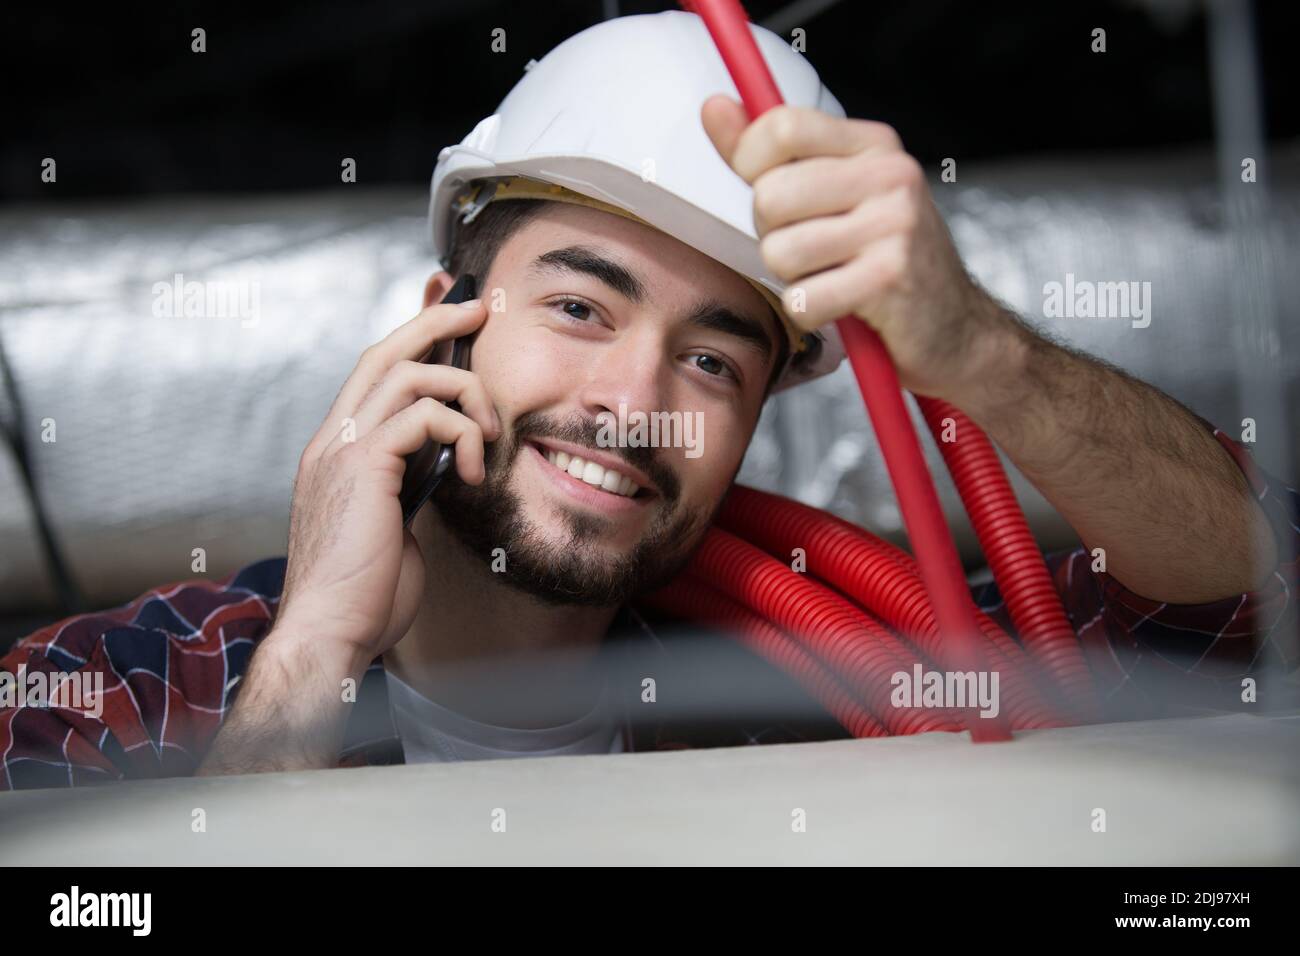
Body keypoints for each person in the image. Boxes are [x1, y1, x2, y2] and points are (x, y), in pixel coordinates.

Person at [2, 12, 1295, 789]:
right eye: (579, 307)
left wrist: (985, 354)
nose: (632, 402)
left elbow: (1243, 594)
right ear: (444, 315)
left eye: (713, 358)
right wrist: (311, 659)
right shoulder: (115, 693)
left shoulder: (833, 681)